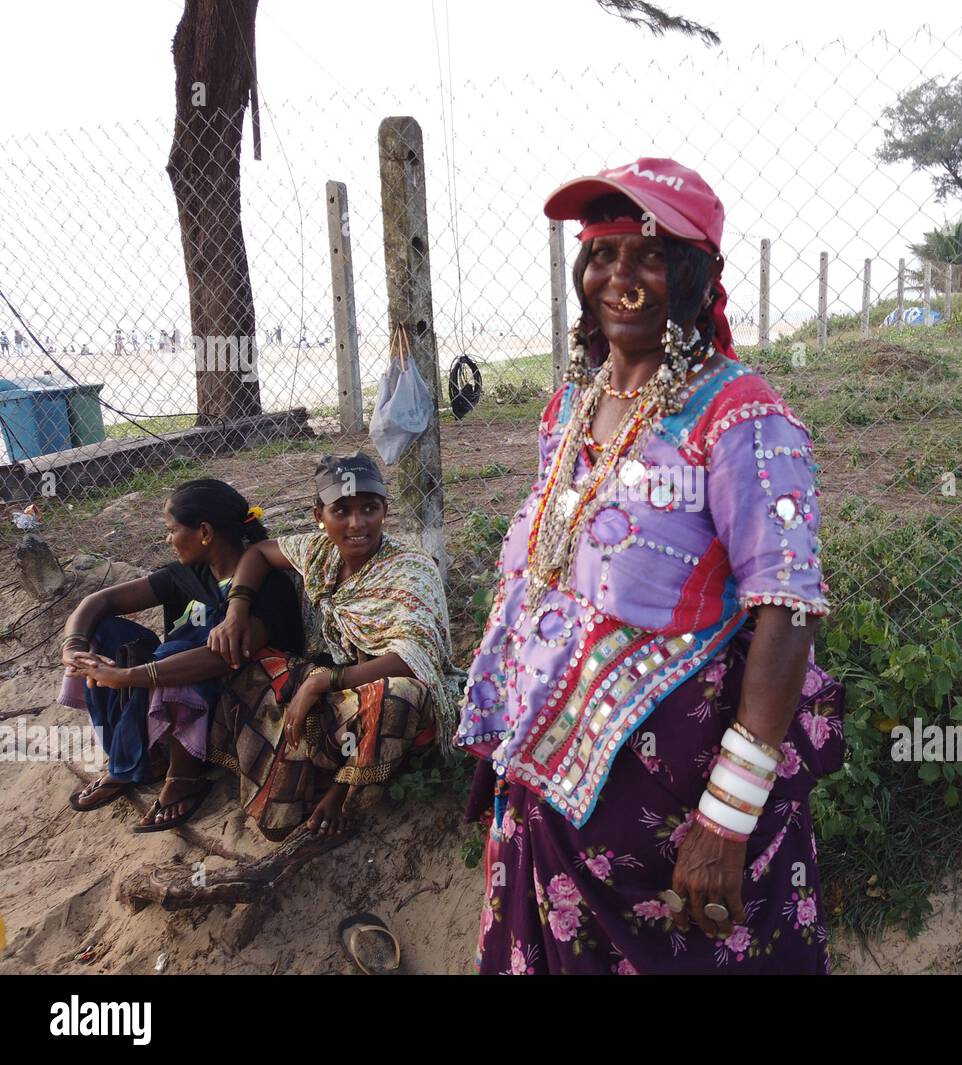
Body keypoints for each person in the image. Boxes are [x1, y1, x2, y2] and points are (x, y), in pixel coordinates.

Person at [455, 158, 844, 975]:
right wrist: (501, 738)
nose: (618, 276)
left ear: (696, 275)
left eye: (650, 254)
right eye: (601, 253)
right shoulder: (569, 406)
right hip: (555, 795)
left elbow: (787, 607)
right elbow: (542, 581)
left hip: (679, 815)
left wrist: (729, 815)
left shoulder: (742, 414)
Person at [205, 453, 457, 840]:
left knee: (397, 696)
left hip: (377, 691)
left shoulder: (411, 567)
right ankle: (293, 782)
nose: (357, 524)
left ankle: (344, 790)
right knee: (255, 666)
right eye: (342, 510)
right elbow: (256, 553)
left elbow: (412, 659)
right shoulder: (318, 552)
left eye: (369, 509)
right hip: (329, 688)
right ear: (319, 515)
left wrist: (323, 681)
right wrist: (236, 609)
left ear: (385, 511)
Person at [59, 480, 304, 829]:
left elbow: (223, 658)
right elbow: (100, 602)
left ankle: (185, 776)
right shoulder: (186, 576)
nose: (168, 540)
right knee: (103, 634)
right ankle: (130, 760)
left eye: (172, 530)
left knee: (177, 653)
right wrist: (75, 647)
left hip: (233, 688)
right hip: (169, 676)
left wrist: (129, 676)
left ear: (204, 531)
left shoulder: (267, 586)